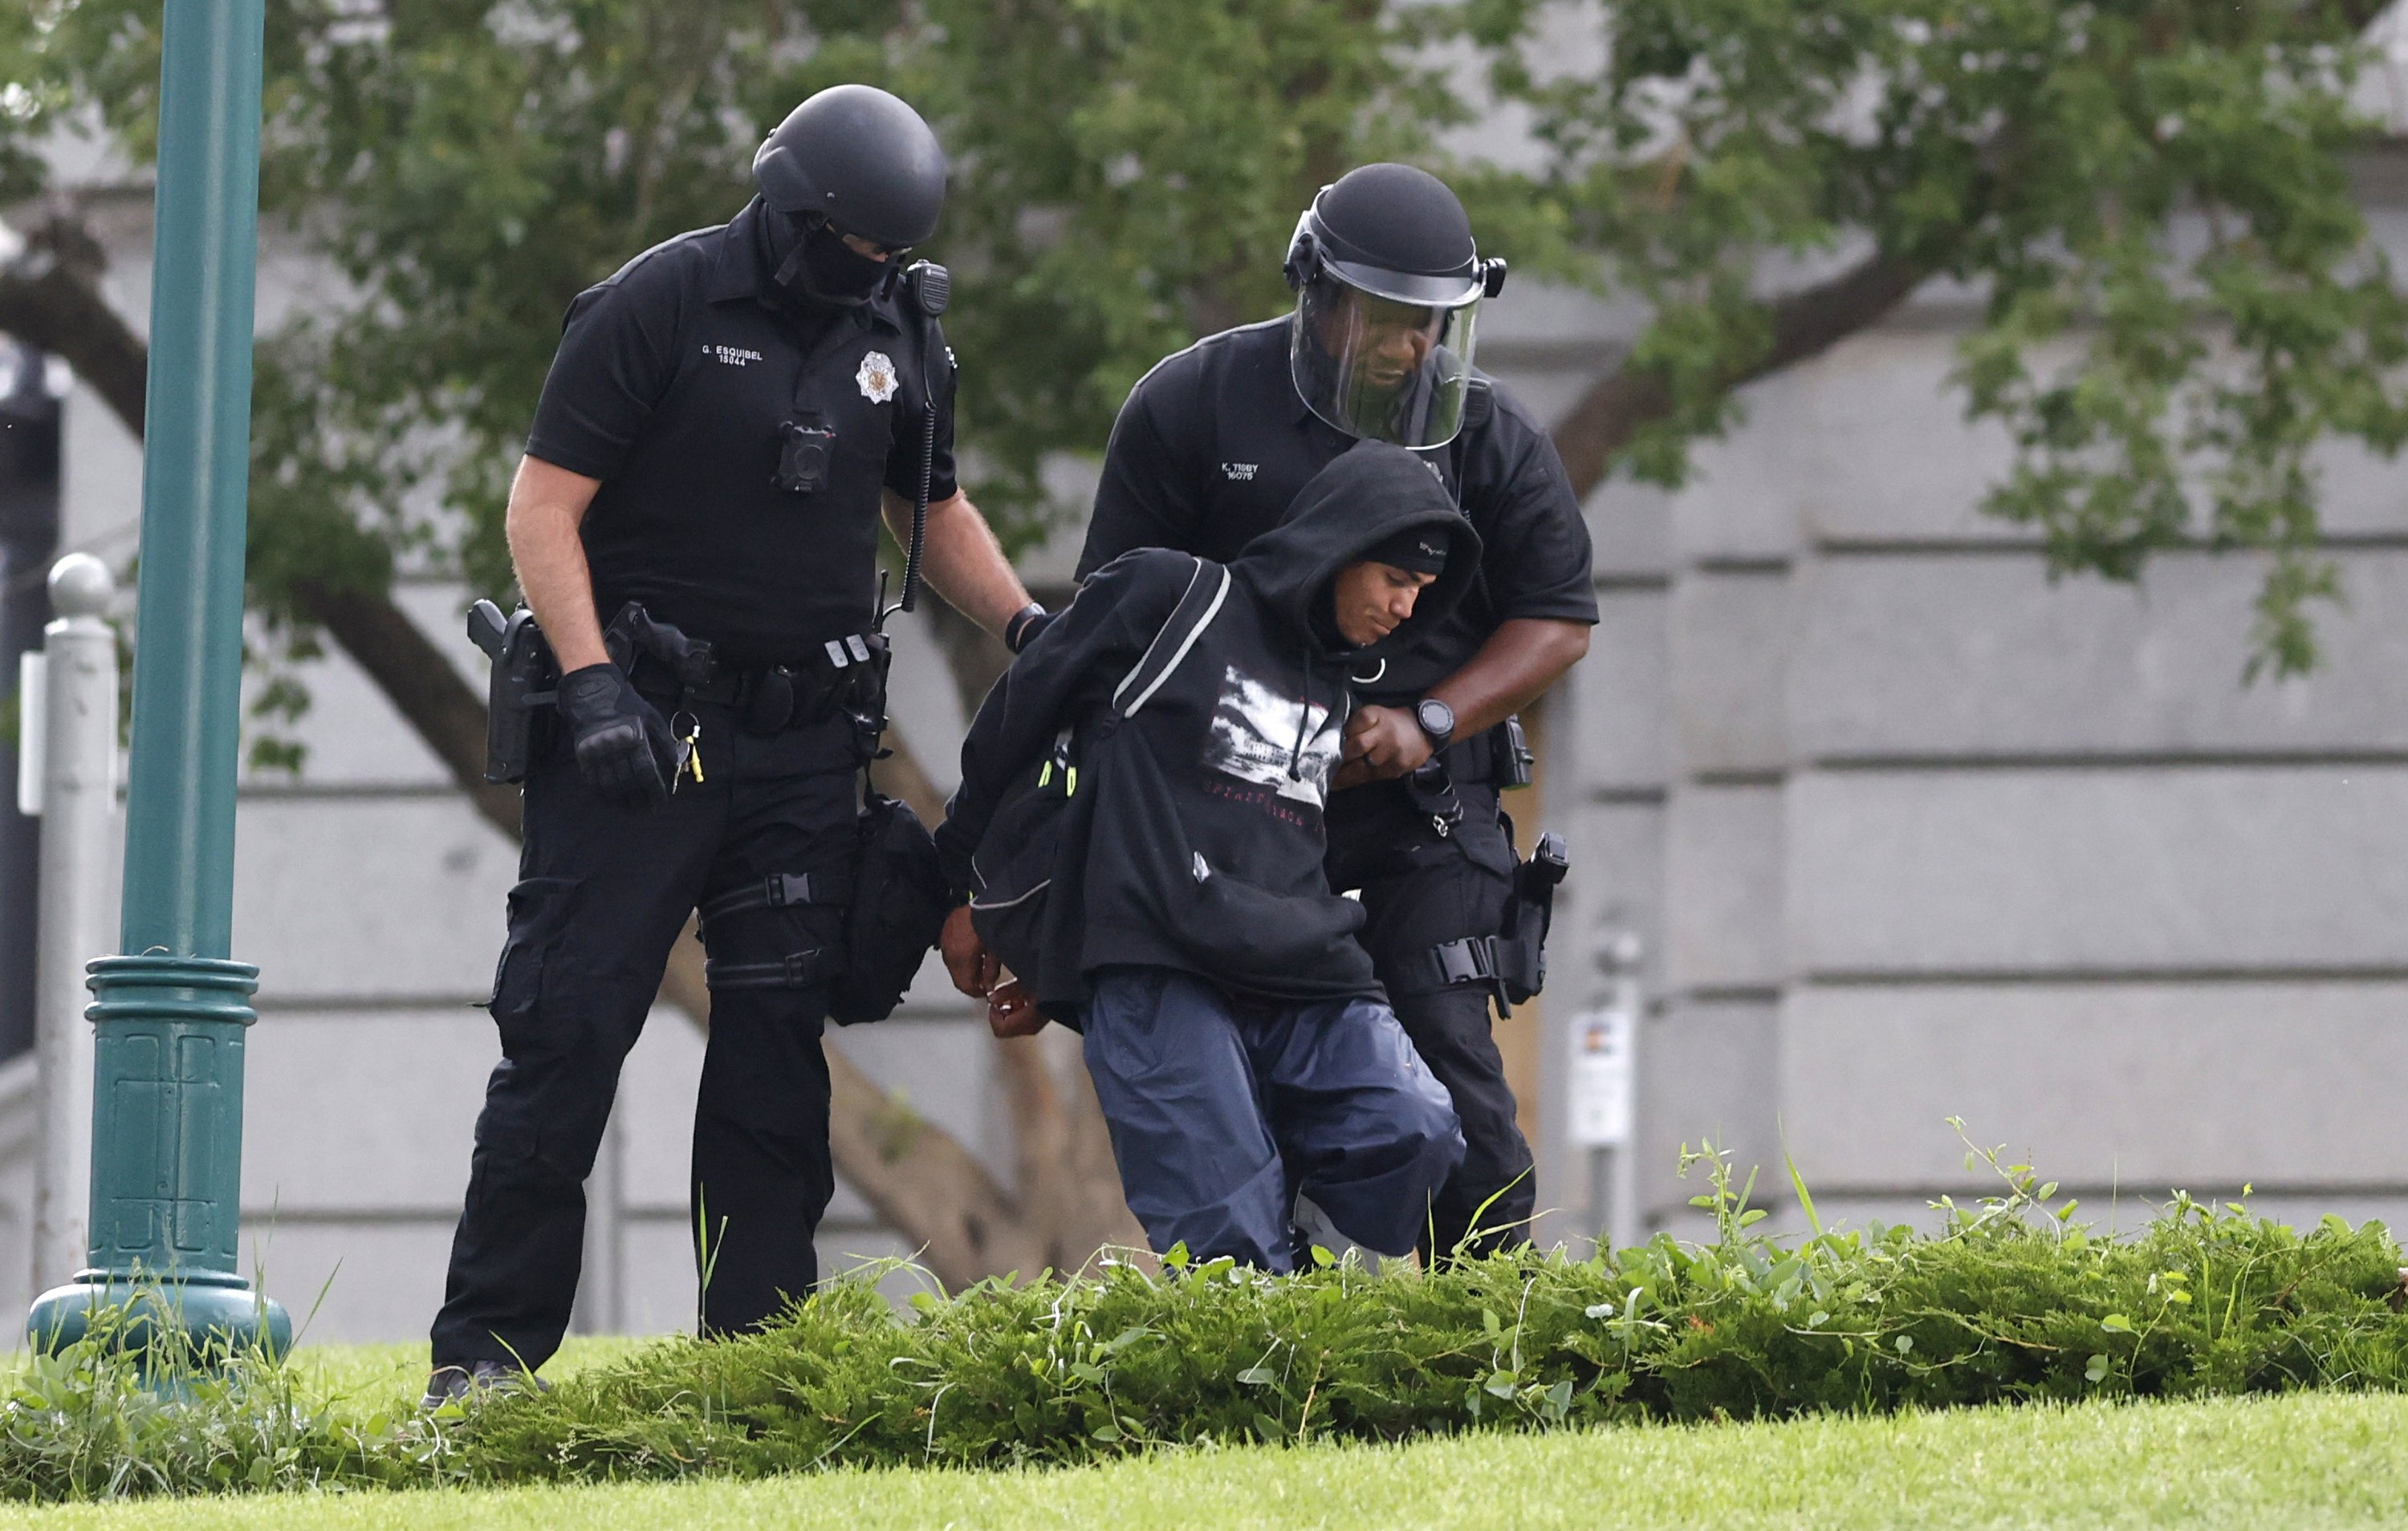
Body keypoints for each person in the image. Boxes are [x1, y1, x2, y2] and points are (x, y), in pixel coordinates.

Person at [425, 85, 1040, 1405]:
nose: (865, 275)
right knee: (569, 1031)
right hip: (639, 738)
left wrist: (1028, 621)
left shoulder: (902, 336)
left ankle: (758, 1369)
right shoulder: (660, 303)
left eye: (888, 257)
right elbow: (542, 509)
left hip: (805, 750)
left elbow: (926, 508)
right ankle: (485, 1359)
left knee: (775, 1052)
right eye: (849, 250)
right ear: (788, 209)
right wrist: (590, 688)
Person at [1072, 163, 1598, 1261]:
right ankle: (1291, 1331)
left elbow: (1557, 619)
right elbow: (1108, 638)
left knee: (1460, 1093)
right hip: (1233, 822)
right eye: (1396, 321)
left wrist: (1432, 722)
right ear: (1318, 294)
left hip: (1419, 806)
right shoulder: (1190, 402)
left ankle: (1496, 1346)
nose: (1419, 347)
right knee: (1251, 1100)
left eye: (1437, 324)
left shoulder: (1489, 435)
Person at [937, 443, 1478, 1269]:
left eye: (1422, 592)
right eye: (1395, 581)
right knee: (1233, 1255)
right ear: (1341, 542)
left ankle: (1296, 1246)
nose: (1407, 607)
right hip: (1159, 966)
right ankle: (1271, 1287)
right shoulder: (1169, 596)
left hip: (1307, 970)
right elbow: (1017, 720)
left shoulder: (1337, 680)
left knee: (1416, 1130)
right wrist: (964, 889)